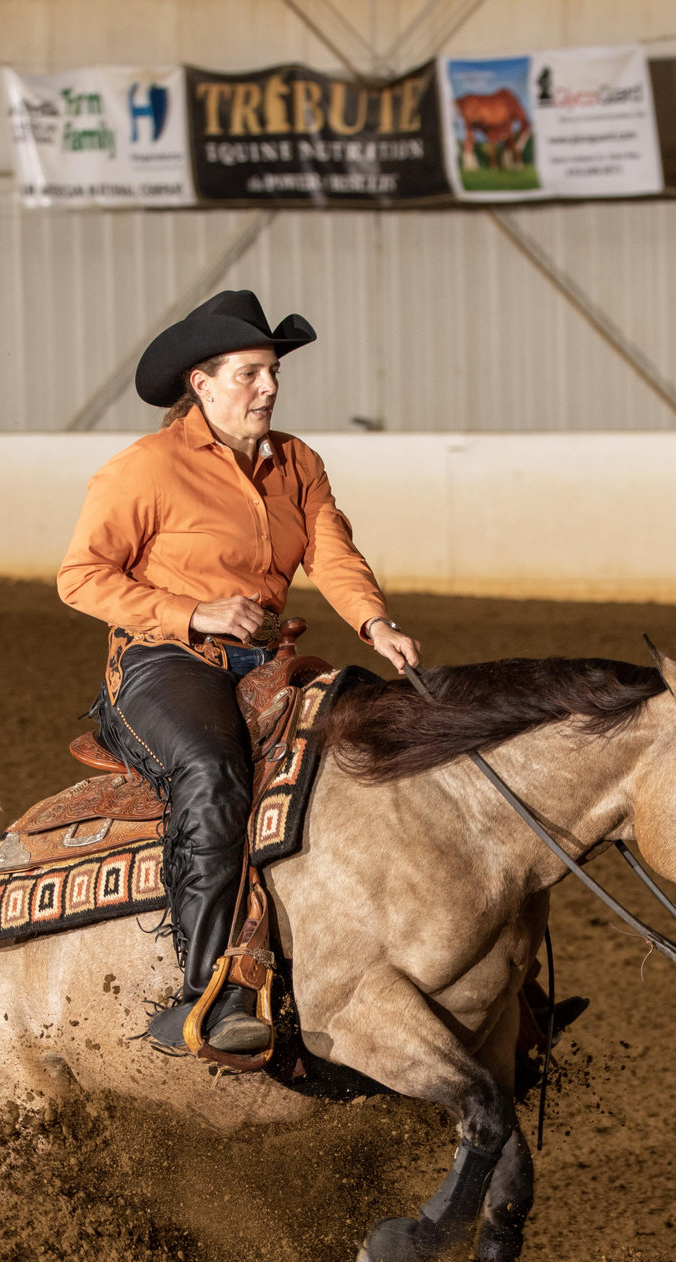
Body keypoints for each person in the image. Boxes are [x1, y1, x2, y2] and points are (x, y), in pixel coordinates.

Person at [56, 290, 424, 1057]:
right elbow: (82, 577)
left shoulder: (298, 462)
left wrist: (374, 621)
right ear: (204, 383)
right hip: (163, 663)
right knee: (212, 771)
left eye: (273, 372)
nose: (270, 388)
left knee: (383, 755)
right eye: (251, 373)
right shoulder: (143, 470)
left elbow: (330, 553)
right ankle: (208, 993)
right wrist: (192, 614)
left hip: (266, 661)